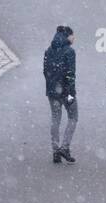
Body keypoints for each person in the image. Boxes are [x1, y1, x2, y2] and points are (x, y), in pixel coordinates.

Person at [43, 25, 77, 164]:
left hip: (52, 91)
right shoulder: (69, 51)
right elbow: (70, 73)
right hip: (66, 91)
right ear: (67, 36)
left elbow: (45, 71)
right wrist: (70, 91)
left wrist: (53, 85)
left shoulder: (49, 51)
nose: (74, 38)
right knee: (73, 117)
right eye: (72, 35)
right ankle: (65, 147)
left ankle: (55, 150)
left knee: (55, 119)